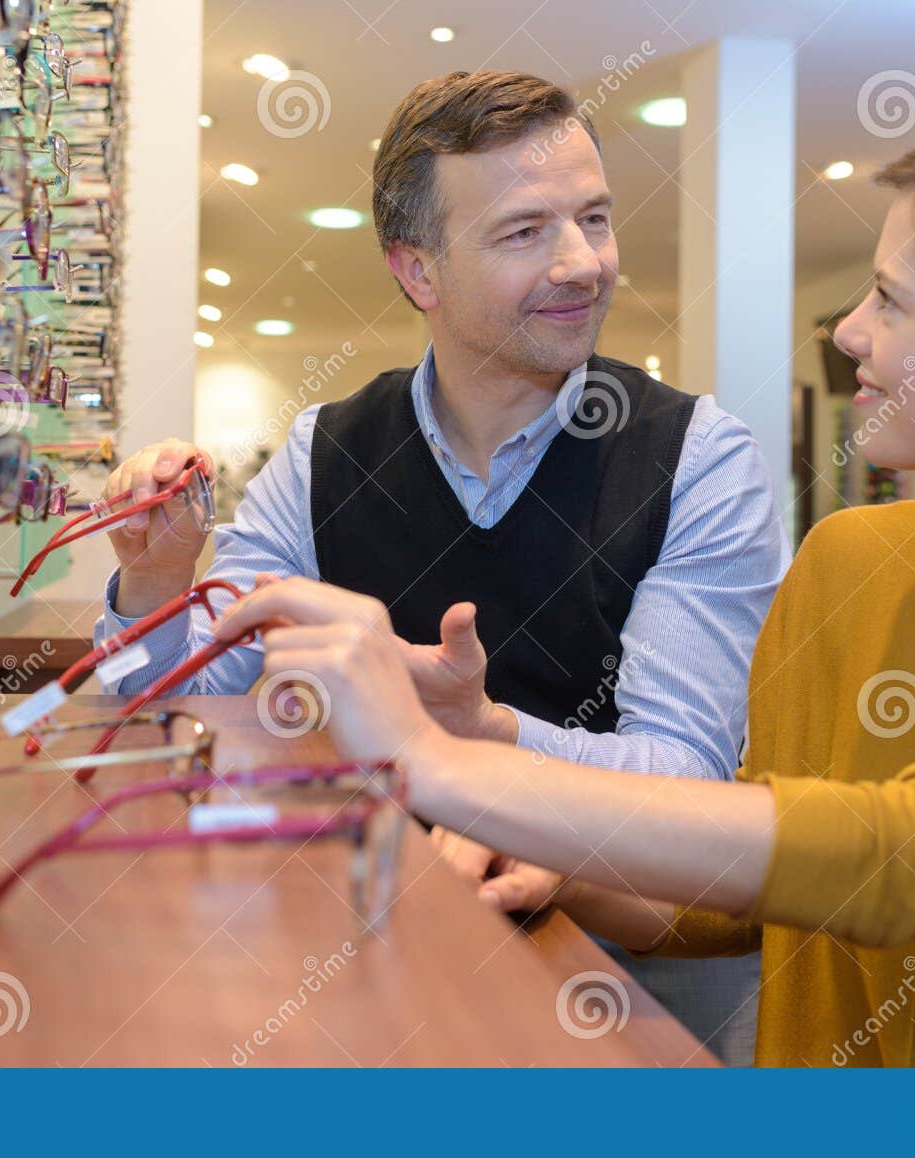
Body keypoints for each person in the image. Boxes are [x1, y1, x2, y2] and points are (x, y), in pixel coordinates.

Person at [209, 87, 915, 1066]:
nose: (847, 332)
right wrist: (559, 860)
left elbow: (914, 855)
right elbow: (742, 892)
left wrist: (430, 759)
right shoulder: (854, 565)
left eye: (889, 300)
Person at [93, 71, 788, 1060]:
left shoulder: (697, 459)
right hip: (371, 960)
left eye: (593, 218)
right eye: (525, 232)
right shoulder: (324, 454)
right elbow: (185, 716)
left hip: (627, 991)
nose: (583, 262)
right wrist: (158, 585)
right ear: (417, 271)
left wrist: (486, 733)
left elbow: (684, 782)